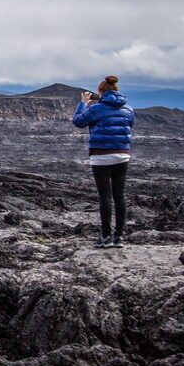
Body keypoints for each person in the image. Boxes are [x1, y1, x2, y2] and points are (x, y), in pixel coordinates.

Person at [71, 75, 134, 248]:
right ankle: (119, 237)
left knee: (105, 196)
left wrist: (83, 103)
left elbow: (78, 122)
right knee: (119, 195)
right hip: (122, 155)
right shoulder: (128, 109)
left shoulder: (96, 109)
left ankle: (106, 237)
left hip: (100, 156)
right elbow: (129, 125)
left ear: (100, 93)